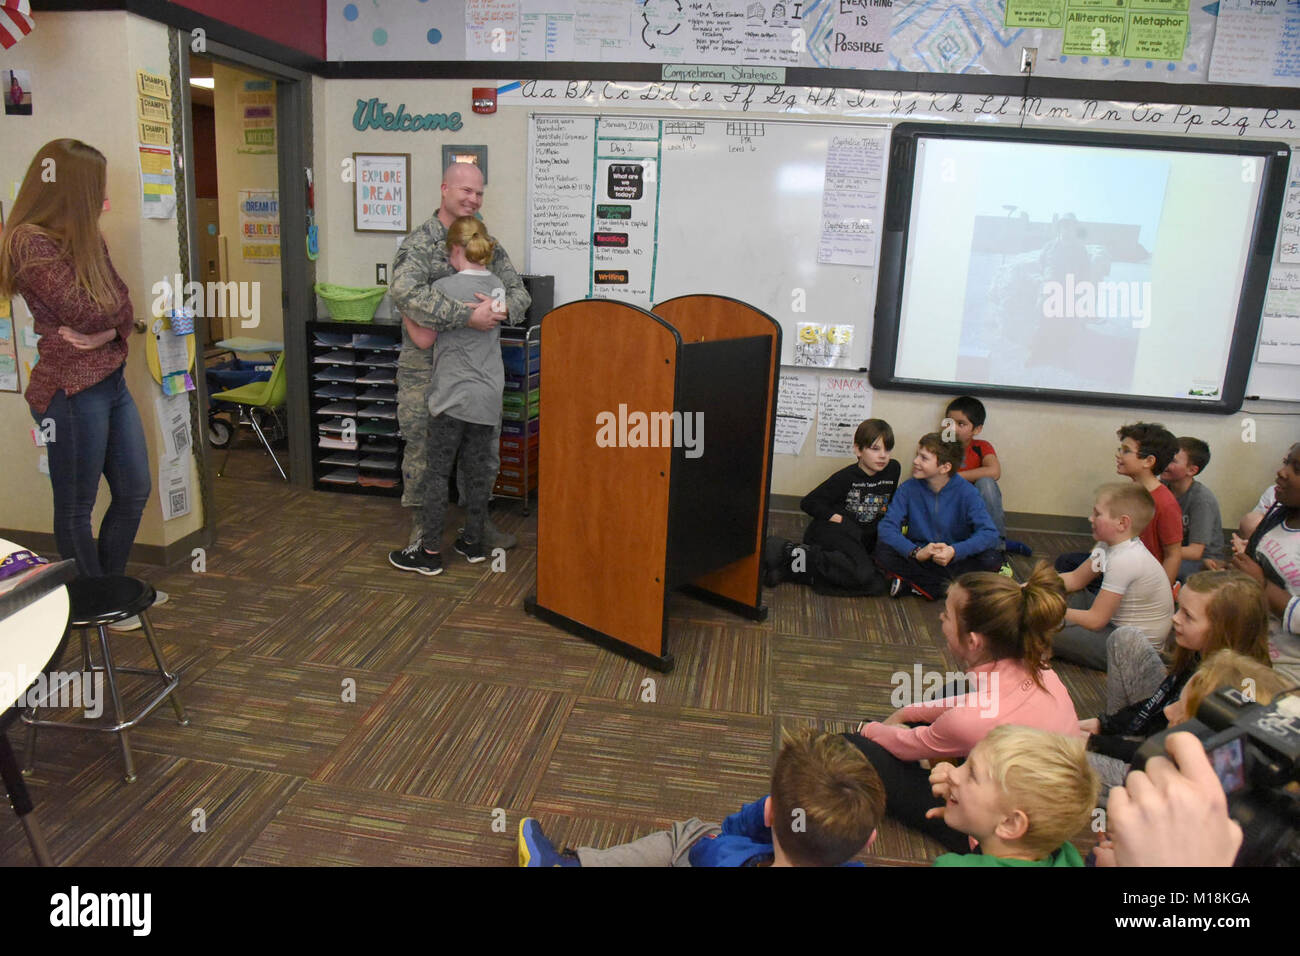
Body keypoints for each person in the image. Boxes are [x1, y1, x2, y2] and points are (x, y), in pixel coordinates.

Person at [0, 140, 164, 629]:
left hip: (108, 381)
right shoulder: (29, 241)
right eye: (96, 185)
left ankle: (112, 593)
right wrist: (108, 321)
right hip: (68, 393)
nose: (103, 195)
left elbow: (121, 306)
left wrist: (109, 329)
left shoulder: (85, 235)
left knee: (134, 489)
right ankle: (87, 604)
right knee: (76, 507)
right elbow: (85, 309)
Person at [845, 562, 1080, 852]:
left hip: (1008, 836)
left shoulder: (973, 718)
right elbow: (975, 705)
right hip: (1044, 808)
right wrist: (908, 713)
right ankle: (937, 756)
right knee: (951, 695)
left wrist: (868, 729)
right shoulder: (1039, 666)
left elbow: (911, 742)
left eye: (946, 616)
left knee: (852, 746)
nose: (941, 620)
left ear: (973, 641)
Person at [388, 162, 530, 560]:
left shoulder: (485, 240)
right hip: (425, 366)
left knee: (480, 454)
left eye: (479, 193)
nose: (472, 199)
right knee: (422, 450)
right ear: (444, 188)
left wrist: (498, 308)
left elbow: (518, 292)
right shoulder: (419, 244)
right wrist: (467, 315)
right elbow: (405, 293)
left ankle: (477, 523)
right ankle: (422, 528)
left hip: (476, 371)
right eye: (465, 190)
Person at [516, 729, 885, 867]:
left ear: (770, 809)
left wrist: (765, 818)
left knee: (688, 835)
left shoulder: (719, 855)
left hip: (717, 849)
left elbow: (721, 835)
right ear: (868, 841)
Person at [1078, 570, 1271, 796]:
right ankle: (1120, 738)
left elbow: (1165, 751)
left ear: (1223, 629)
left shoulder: (1235, 689)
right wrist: (1105, 724)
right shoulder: (1200, 652)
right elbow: (1159, 702)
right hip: (1158, 734)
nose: (1175, 618)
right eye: (1179, 608)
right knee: (1126, 638)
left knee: (1057, 757)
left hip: (1167, 767)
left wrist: (1096, 744)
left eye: (1188, 616)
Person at [925, 725, 1098, 866]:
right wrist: (962, 810)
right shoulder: (1067, 855)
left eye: (972, 774)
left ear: (1011, 823)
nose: (953, 775)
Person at [764, 418, 899, 595]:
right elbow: (808, 503)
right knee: (863, 574)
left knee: (876, 585)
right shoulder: (846, 477)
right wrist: (839, 519)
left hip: (860, 538)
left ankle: (799, 572)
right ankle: (787, 550)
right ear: (858, 450)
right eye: (875, 449)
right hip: (834, 531)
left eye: (887, 449)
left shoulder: (893, 469)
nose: (883, 455)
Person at [1053, 483, 1174, 670]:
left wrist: (1045, 608)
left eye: (1097, 514)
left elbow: (1095, 620)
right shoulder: (1109, 544)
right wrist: (1033, 587)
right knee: (1061, 594)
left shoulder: (1125, 559)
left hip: (1132, 652)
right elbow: (1076, 579)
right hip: (1114, 628)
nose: (1090, 518)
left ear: (1122, 523)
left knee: (1039, 623)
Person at [874, 432, 1001, 601]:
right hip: (921, 556)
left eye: (923, 458)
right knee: (883, 551)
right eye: (917, 455)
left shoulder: (967, 492)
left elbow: (989, 533)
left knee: (991, 558)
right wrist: (915, 552)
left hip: (954, 557)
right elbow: (887, 527)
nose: (915, 461)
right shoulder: (908, 489)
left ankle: (917, 586)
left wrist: (955, 551)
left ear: (945, 467)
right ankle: (949, 588)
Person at [1229, 443, 1300, 684]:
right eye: (1286, 462)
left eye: (1297, 469)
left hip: (1289, 669)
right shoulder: (1280, 515)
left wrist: (1261, 583)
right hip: (1254, 648)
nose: (1282, 472)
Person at [943, 396, 1028, 560]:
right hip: (948, 511)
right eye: (949, 422)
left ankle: (997, 548)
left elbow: (994, 471)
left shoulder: (981, 447)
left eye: (961, 424)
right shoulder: (938, 445)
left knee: (986, 483)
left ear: (976, 429)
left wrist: (956, 476)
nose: (953, 428)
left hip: (974, 513)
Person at [1161, 436, 1224, 581]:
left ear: (1191, 470)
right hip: (1173, 551)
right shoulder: (1162, 487)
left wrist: (1153, 549)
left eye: (1173, 460)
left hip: (1203, 562)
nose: (1165, 462)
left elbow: (1195, 552)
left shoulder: (1202, 499)